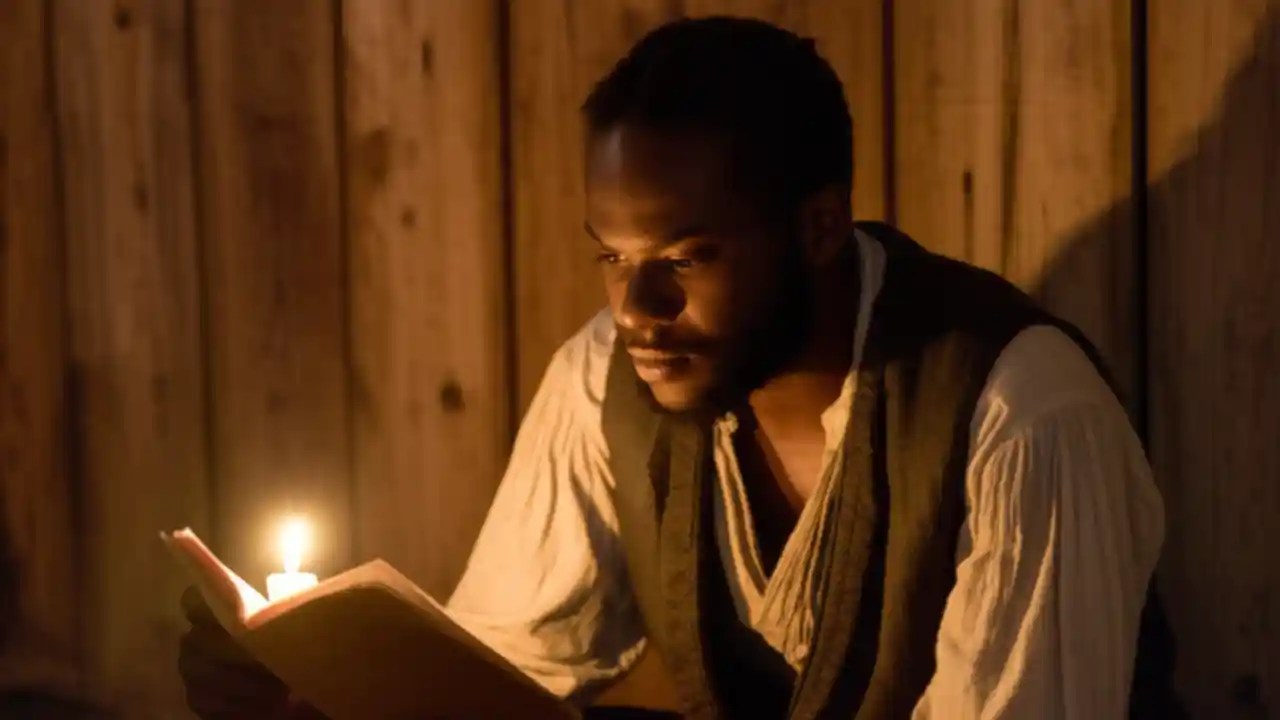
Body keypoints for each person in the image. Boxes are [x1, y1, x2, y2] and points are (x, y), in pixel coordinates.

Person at [179, 17, 1180, 719]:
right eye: (611, 257)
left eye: (685, 259)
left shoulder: (1019, 412)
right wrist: (317, 695)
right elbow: (500, 673)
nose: (636, 309)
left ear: (818, 228)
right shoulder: (606, 377)